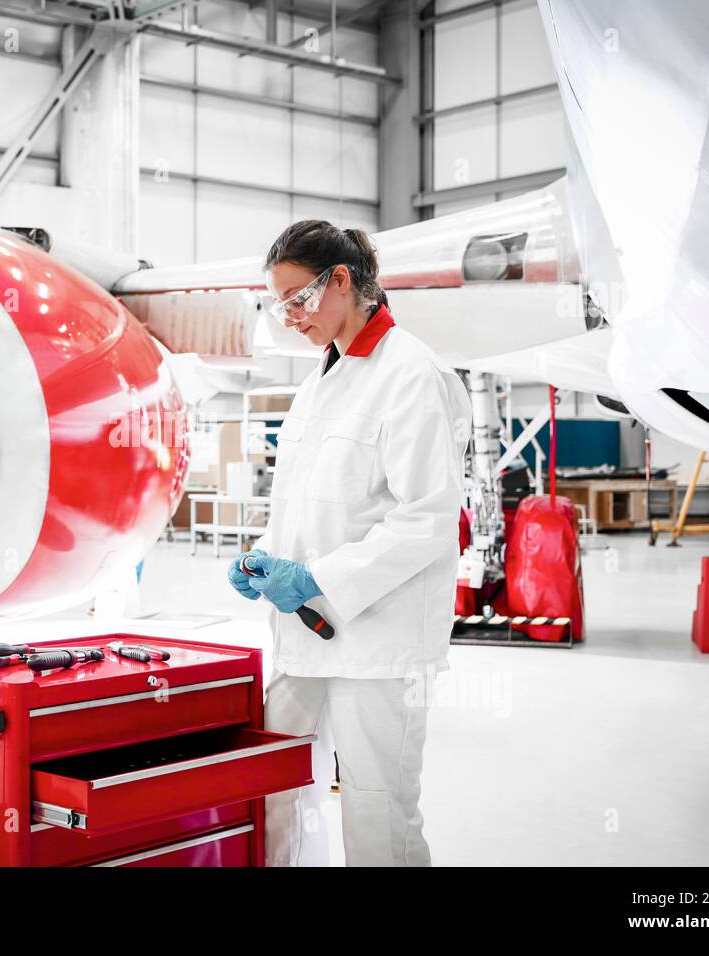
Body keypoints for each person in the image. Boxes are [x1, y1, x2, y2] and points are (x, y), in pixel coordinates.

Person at [228, 220, 470, 867]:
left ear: (341, 280)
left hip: (380, 643)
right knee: (271, 790)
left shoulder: (414, 376)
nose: (289, 318)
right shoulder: (317, 386)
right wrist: (263, 554)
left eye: (298, 300)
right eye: (278, 306)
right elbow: (306, 504)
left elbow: (426, 517)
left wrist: (316, 579)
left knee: (376, 811)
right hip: (304, 636)